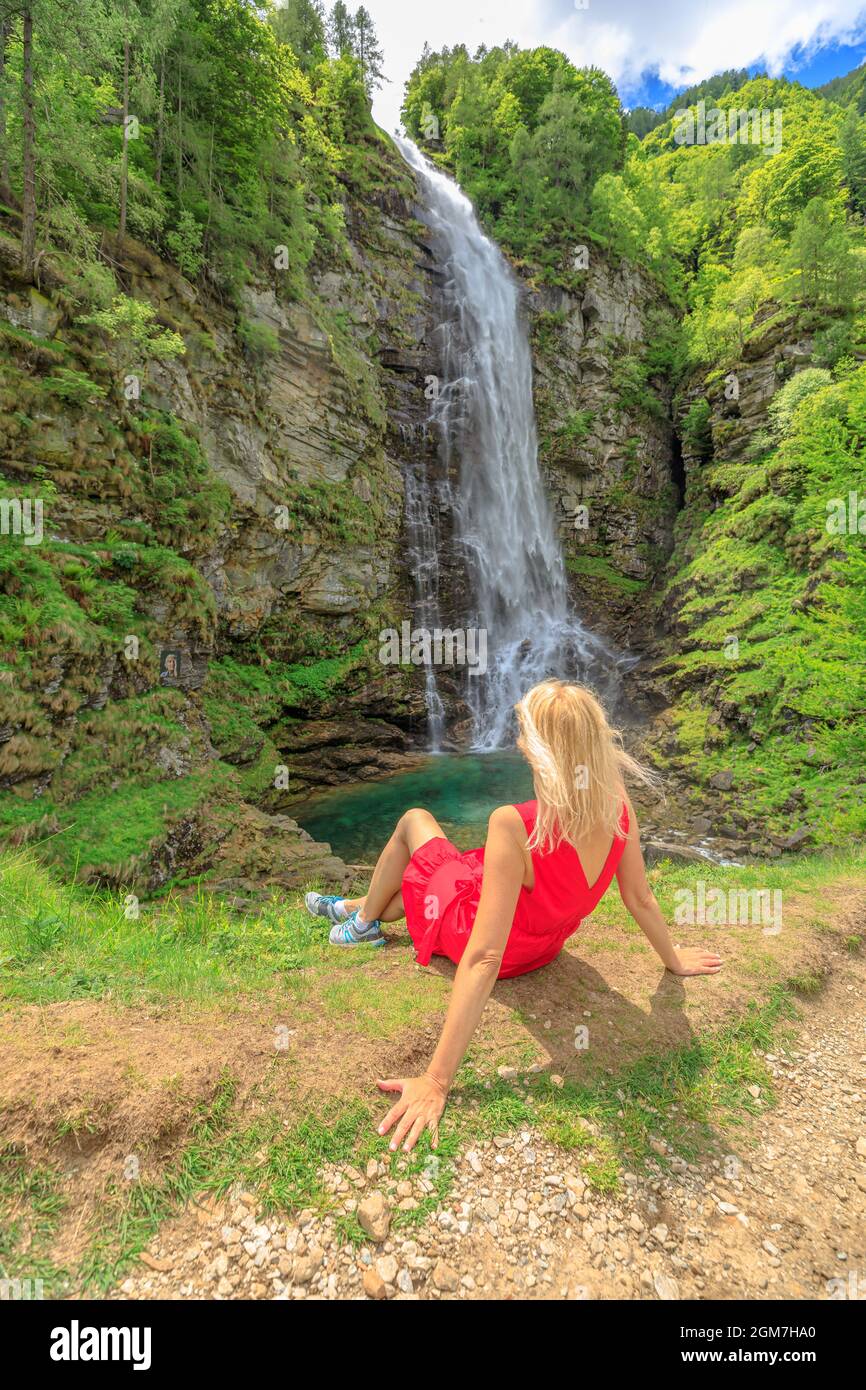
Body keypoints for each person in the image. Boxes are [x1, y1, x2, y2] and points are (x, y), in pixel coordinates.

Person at [305, 681, 722, 1153]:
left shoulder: (514, 823)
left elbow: (484, 956)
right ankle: (355, 909)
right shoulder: (618, 809)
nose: (518, 740)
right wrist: (673, 958)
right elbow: (640, 897)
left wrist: (436, 1081)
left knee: (414, 820)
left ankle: (361, 923)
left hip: (480, 939)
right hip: (539, 947)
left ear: (540, 749)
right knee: (441, 880)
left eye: (524, 732)